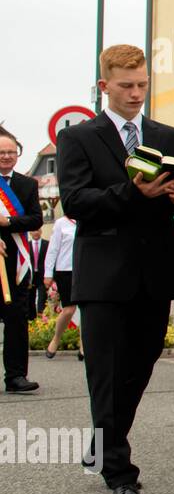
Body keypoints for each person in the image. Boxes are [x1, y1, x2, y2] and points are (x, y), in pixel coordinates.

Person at [56, 44, 174, 494]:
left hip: (155, 272)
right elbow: (77, 202)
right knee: (105, 374)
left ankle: (103, 441)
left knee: (137, 371)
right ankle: (121, 476)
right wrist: (133, 193)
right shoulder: (79, 138)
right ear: (105, 86)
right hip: (103, 276)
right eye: (126, 86)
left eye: (142, 84)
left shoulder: (165, 134)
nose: (136, 93)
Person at [0, 127, 43, 394]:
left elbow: (36, 219)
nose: (6, 156)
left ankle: (16, 376)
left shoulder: (28, 185)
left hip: (17, 263)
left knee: (16, 319)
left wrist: (9, 222)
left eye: (10, 152)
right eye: (1, 152)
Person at [42, 213, 83, 360]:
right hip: (65, 270)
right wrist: (48, 273)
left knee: (86, 309)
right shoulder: (61, 223)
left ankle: (83, 345)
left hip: (84, 269)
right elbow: (52, 249)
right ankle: (56, 339)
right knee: (69, 309)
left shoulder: (85, 221)